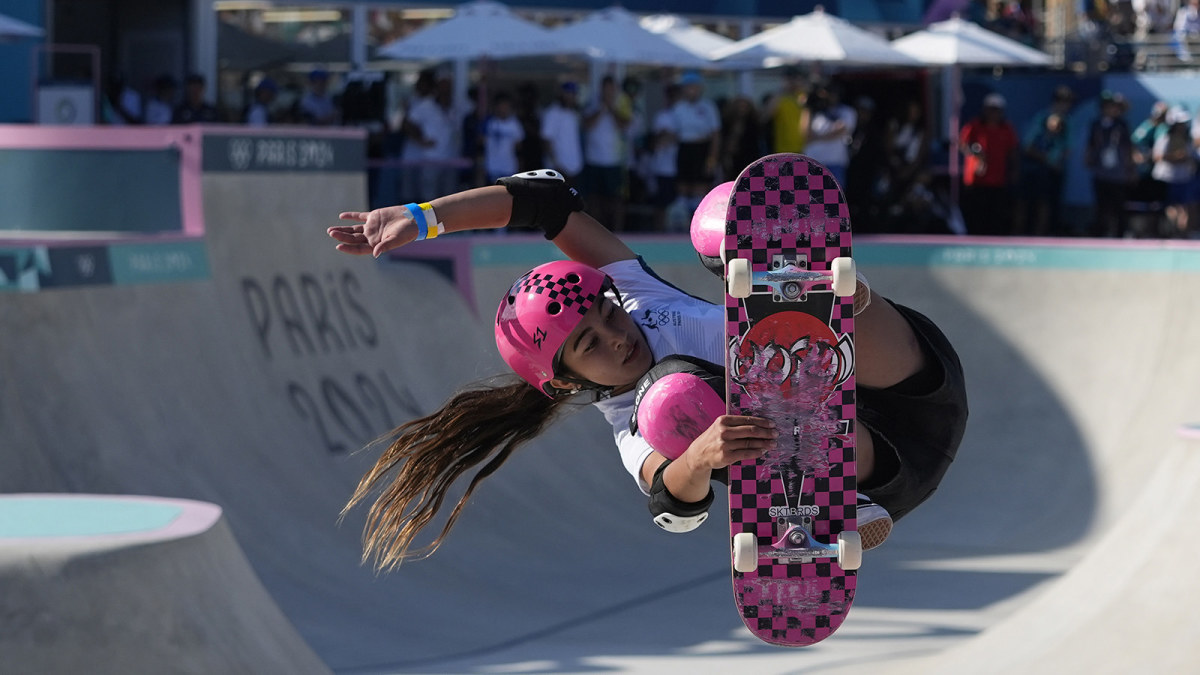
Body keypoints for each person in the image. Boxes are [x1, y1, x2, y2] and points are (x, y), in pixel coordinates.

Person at [326, 171, 969, 571]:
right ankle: (815, 515)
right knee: (672, 401)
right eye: (588, 344)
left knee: (720, 223)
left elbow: (546, 202)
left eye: (606, 311)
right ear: (564, 381)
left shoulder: (634, 290)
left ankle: (822, 288)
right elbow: (674, 503)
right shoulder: (632, 426)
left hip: (907, 378)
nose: (617, 335)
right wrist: (700, 457)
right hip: (871, 474)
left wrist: (422, 218)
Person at [960, 93, 1020, 235]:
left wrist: (1015, 171)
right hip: (976, 180)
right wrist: (974, 151)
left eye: (996, 110)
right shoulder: (973, 126)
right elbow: (963, 144)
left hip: (997, 181)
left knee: (995, 216)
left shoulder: (1007, 129)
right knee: (975, 215)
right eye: (990, 109)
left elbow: (1013, 152)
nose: (993, 113)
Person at [1084, 92, 1136, 237]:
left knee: (1119, 205)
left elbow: (1127, 148)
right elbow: (1091, 145)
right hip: (1101, 172)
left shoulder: (1121, 124)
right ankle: (1100, 232)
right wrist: (1088, 158)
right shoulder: (1096, 124)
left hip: (1118, 173)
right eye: (1107, 106)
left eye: (1113, 106)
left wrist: (1130, 169)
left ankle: (1120, 233)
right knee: (1102, 206)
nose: (1111, 109)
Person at [1020, 112, 1069, 236]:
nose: (1054, 125)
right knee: (1023, 202)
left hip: (1047, 177)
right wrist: (1044, 158)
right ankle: (1019, 231)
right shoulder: (1037, 135)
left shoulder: (1059, 141)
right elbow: (1027, 148)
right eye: (1053, 122)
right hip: (1029, 173)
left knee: (1044, 204)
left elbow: (1056, 161)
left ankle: (1040, 233)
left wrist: (1046, 159)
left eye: (1058, 124)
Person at [804, 82, 856, 187]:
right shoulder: (816, 113)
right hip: (813, 161)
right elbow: (805, 134)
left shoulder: (847, 111)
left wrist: (817, 138)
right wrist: (807, 108)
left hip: (834, 162)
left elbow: (840, 131)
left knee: (833, 198)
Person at [540, 82, 584, 184]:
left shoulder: (573, 113)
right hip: (558, 171)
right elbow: (546, 141)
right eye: (567, 94)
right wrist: (556, 166)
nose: (570, 97)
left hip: (575, 169)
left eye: (573, 94)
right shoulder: (552, 113)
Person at [482, 92, 525, 183]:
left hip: (509, 169)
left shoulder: (515, 124)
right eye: (501, 106)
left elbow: (519, 148)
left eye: (506, 106)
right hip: (491, 168)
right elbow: (481, 142)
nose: (504, 109)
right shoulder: (489, 122)